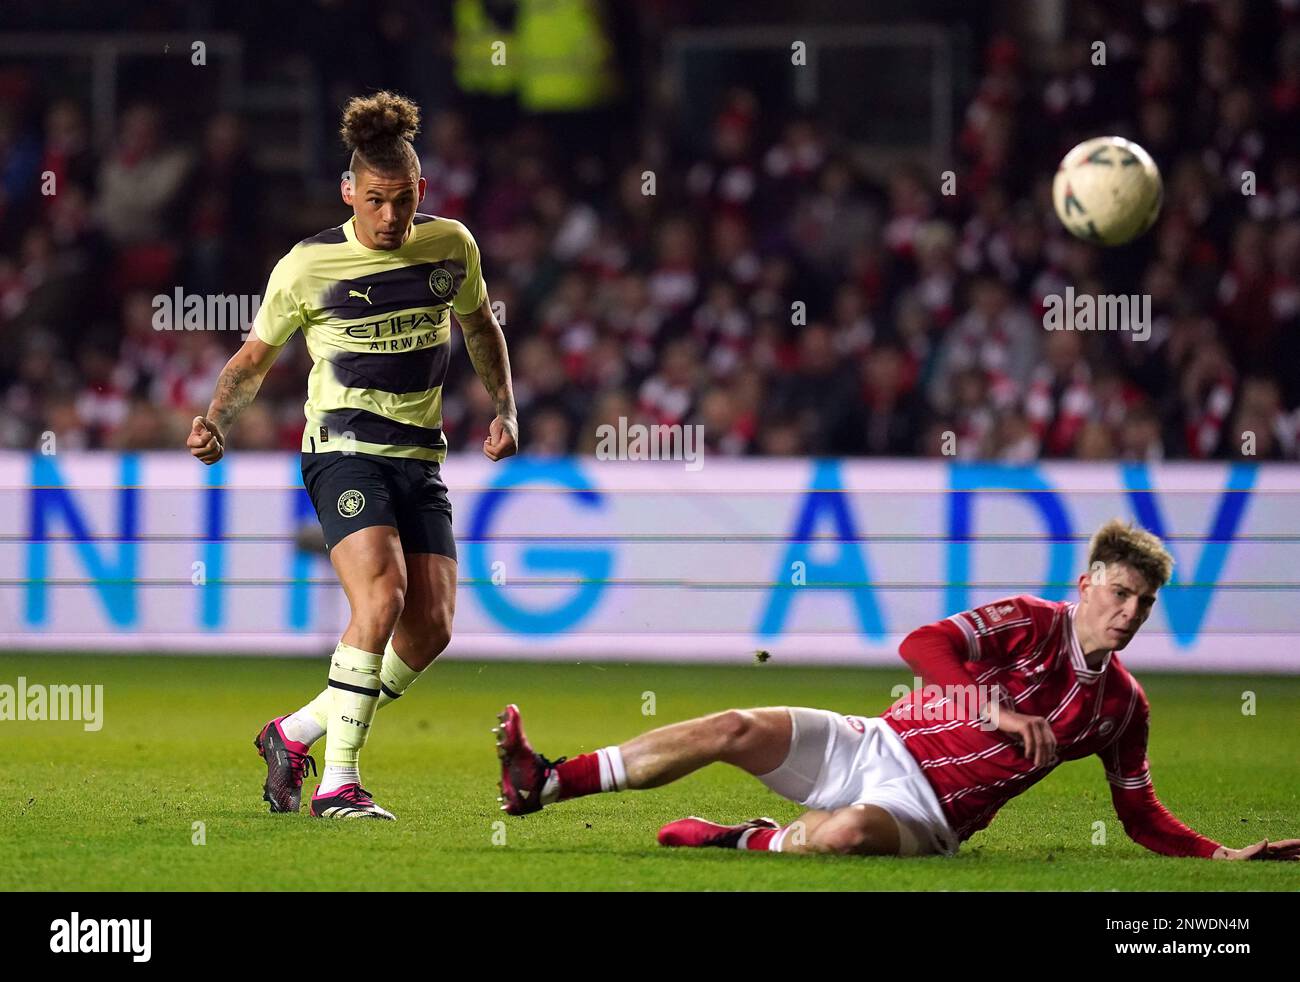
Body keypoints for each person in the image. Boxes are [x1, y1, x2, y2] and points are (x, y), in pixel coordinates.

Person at [495, 520, 1298, 860]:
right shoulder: (1025, 619)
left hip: (929, 813)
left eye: (1144, 605)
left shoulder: (1122, 706)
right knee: (735, 725)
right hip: (875, 740)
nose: (1129, 614)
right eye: (1119, 594)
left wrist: (1218, 853)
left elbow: (1137, 810)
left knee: (843, 837)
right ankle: (546, 782)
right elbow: (923, 643)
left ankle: (745, 840)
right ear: (1085, 584)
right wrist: (990, 705)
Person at [189, 91, 518, 820]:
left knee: (431, 627)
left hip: (418, 457)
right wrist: (216, 420)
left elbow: (479, 329)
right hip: (342, 449)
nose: (391, 217)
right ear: (349, 193)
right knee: (382, 597)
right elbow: (252, 358)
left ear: (422, 191)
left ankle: (294, 733)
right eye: (376, 201)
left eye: (403, 201)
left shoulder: (451, 246)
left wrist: (504, 408)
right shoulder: (307, 266)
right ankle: (340, 783)